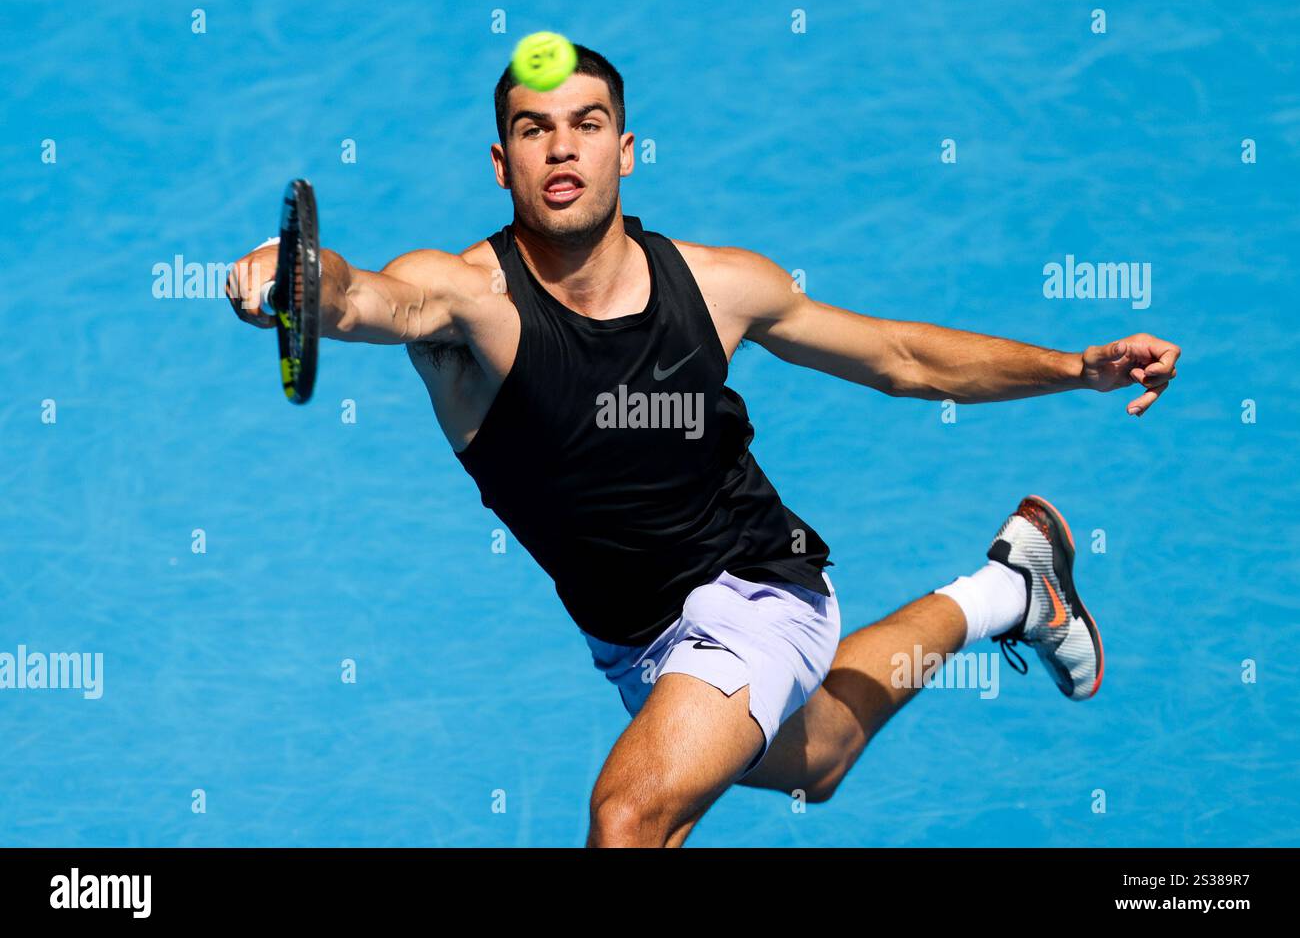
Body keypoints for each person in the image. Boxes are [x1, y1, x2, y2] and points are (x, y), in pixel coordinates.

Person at [226, 45, 1181, 847]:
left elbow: (902, 359)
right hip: (631, 637)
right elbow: (357, 295)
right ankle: (1012, 590)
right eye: (533, 129)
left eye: (588, 124)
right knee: (822, 757)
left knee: (630, 815)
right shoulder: (466, 301)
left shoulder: (723, 288)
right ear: (500, 161)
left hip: (757, 588)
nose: (562, 147)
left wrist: (1072, 366)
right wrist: (291, 273)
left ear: (627, 151)